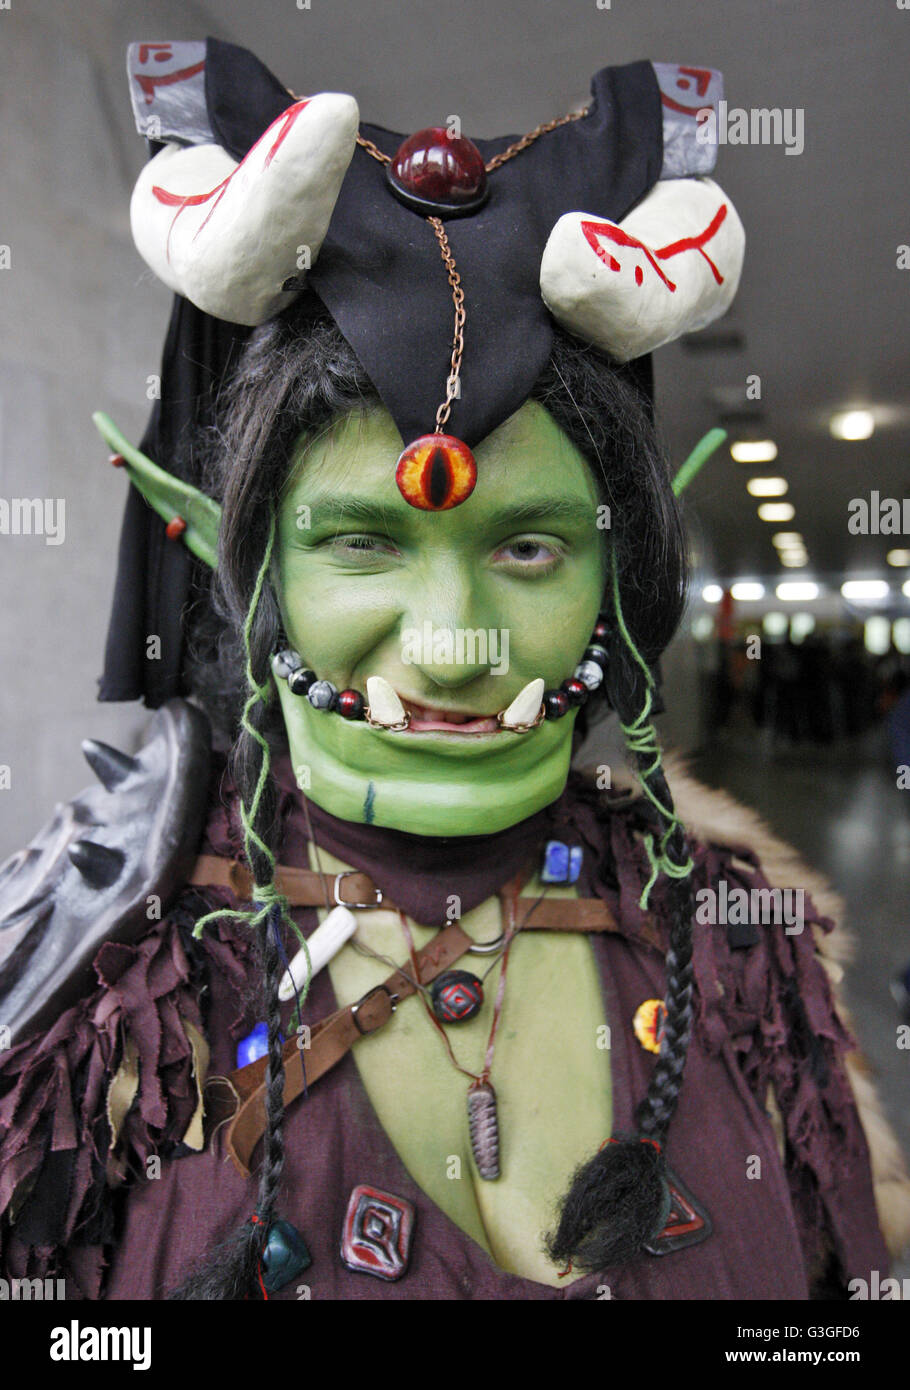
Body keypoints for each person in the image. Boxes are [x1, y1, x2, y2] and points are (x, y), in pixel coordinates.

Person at [1, 37, 907, 1302]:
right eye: (362, 541)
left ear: (622, 578)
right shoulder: (92, 967)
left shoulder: (740, 947)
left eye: (530, 546)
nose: (450, 644)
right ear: (245, 574)